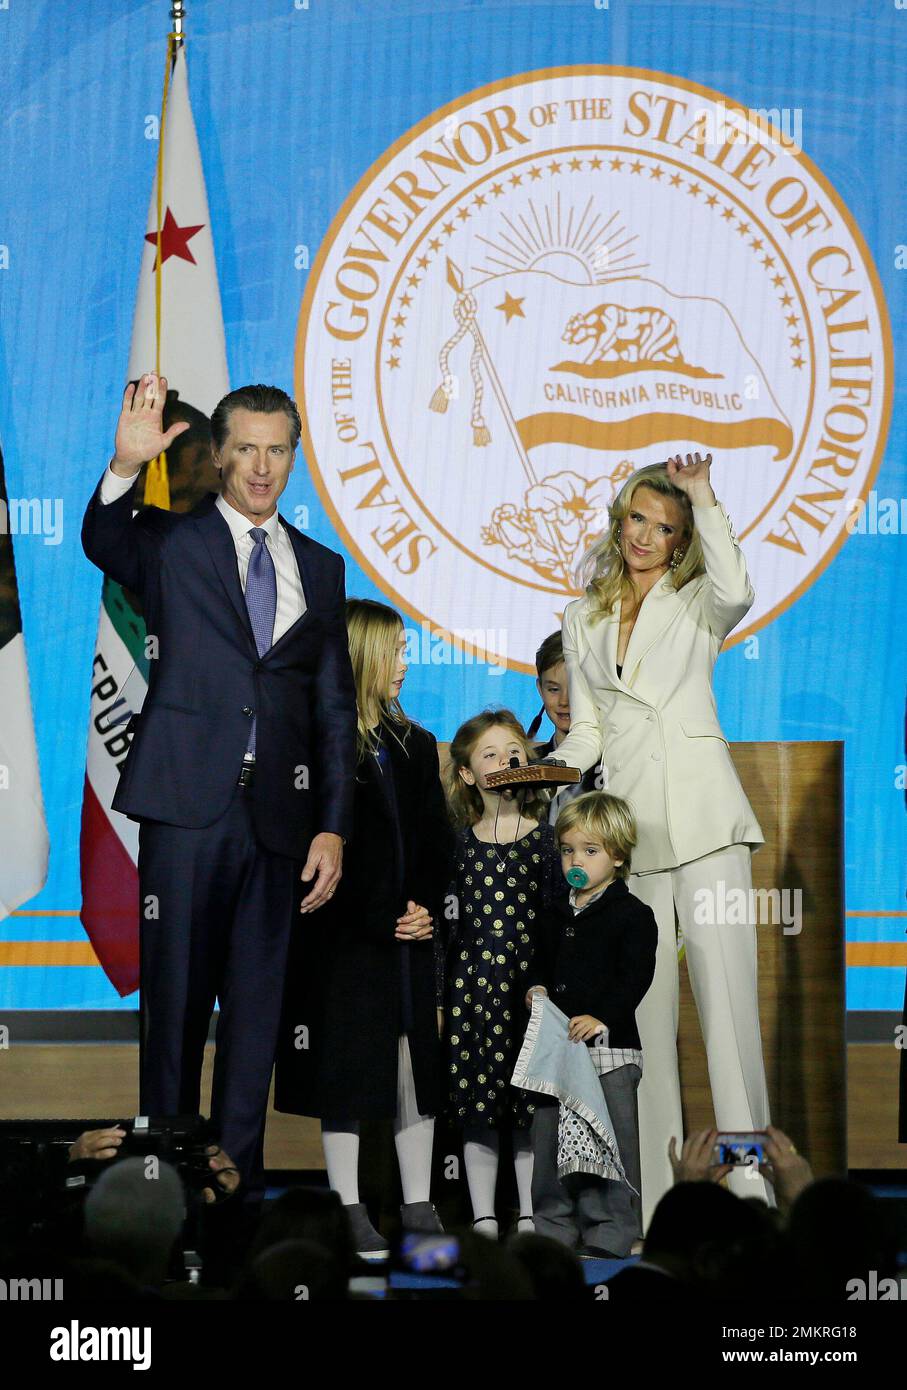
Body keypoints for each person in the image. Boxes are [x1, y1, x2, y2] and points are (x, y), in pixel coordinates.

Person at [81, 373, 357, 1191]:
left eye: (277, 451)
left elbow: (333, 713)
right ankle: (165, 1198)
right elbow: (104, 541)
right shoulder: (170, 543)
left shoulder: (322, 567)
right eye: (246, 449)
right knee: (172, 1014)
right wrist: (125, 469)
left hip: (279, 824)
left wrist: (333, 825)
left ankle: (234, 1205)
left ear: (294, 457)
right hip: (186, 812)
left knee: (256, 1022)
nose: (261, 468)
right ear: (219, 453)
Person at [548, 452, 771, 1223]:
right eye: (636, 519)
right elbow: (590, 734)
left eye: (663, 527)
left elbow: (739, 587)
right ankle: (660, 1197)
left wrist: (704, 495)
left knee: (727, 1014)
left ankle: (747, 1183)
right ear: (620, 523)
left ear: (680, 540)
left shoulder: (699, 600)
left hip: (706, 827)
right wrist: (539, 777)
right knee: (642, 1021)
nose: (645, 536)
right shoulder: (582, 616)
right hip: (633, 836)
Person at [274, 599, 456, 1260]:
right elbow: (314, 852)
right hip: (345, 944)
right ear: (364, 656)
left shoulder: (417, 745)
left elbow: (436, 842)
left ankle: (418, 1204)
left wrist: (425, 907)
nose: (406, 664)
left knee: (414, 1070)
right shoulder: (318, 747)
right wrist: (379, 917)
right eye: (398, 650)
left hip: (408, 939)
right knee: (344, 1076)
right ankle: (346, 1206)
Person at [441, 709, 562, 1238]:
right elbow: (447, 928)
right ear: (467, 774)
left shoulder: (548, 840)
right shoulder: (457, 843)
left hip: (529, 991)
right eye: (489, 754)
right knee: (478, 1102)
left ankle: (532, 1212)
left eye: (514, 751)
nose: (506, 760)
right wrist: (442, 999)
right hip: (472, 992)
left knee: (529, 1104)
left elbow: (557, 922)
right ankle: (484, 1214)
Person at [525, 791, 657, 1257]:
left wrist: (603, 1016)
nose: (575, 860)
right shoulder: (554, 911)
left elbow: (635, 976)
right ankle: (554, 1229)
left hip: (609, 1051)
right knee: (550, 1141)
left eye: (590, 850)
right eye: (567, 850)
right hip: (555, 1052)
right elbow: (537, 962)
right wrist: (536, 987)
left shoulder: (633, 915)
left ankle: (612, 1231)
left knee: (611, 1143)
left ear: (618, 856)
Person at [527, 630, 600, 823]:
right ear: (540, 690)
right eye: (553, 689)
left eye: (576, 689)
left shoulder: (617, 765)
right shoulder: (530, 764)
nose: (564, 701)